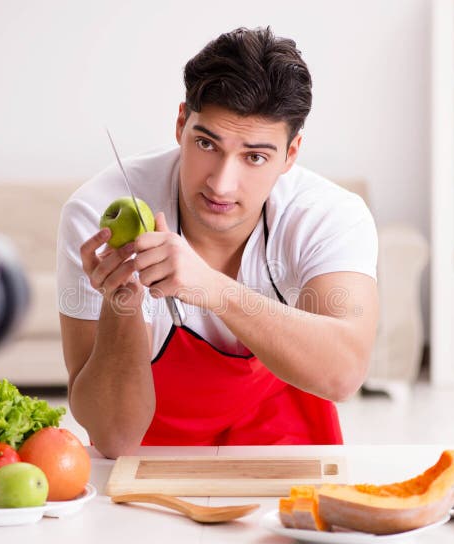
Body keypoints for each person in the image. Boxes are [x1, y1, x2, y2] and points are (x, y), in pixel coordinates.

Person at [57, 27, 378, 458]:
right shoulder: (96, 215)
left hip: (284, 444)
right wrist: (123, 302)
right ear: (180, 124)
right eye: (207, 143)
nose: (221, 184)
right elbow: (115, 437)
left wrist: (212, 288)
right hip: (153, 453)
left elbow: (344, 374)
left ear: (291, 153)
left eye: (255, 156)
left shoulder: (327, 215)